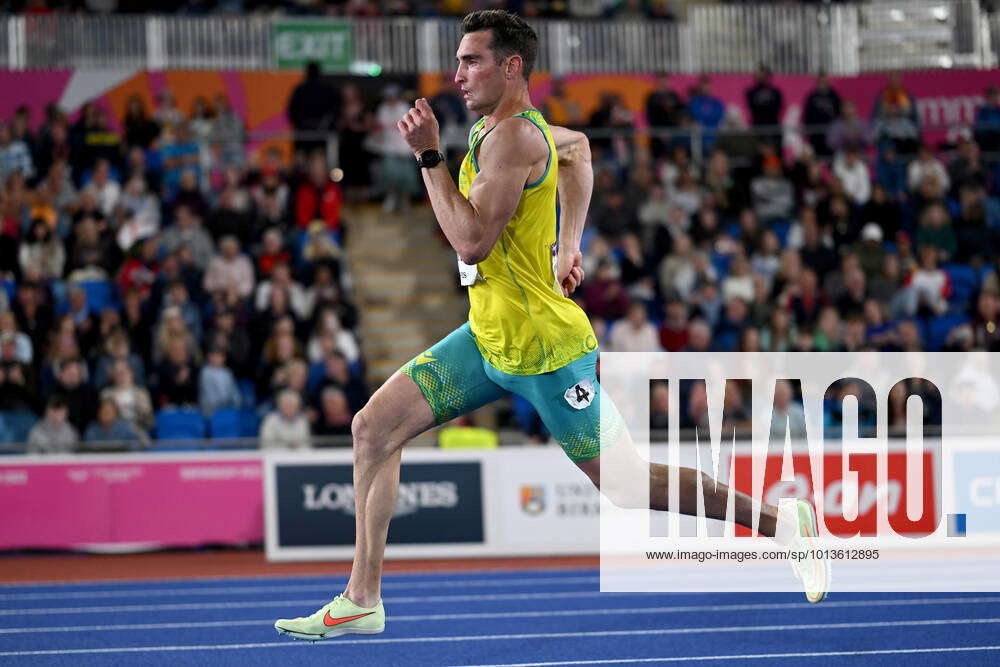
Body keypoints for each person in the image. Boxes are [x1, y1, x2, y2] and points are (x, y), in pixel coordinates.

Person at [274, 10, 829, 643]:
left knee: (629, 486)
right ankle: (361, 598)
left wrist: (429, 156)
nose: (457, 73)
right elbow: (580, 151)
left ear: (512, 66)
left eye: (472, 60)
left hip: (546, 352)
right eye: (457, 60)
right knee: (372, 429)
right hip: (488, 340)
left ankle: (785, 523)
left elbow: (471, 243)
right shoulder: (511, 131)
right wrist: (569, 244)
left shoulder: (511, 139)